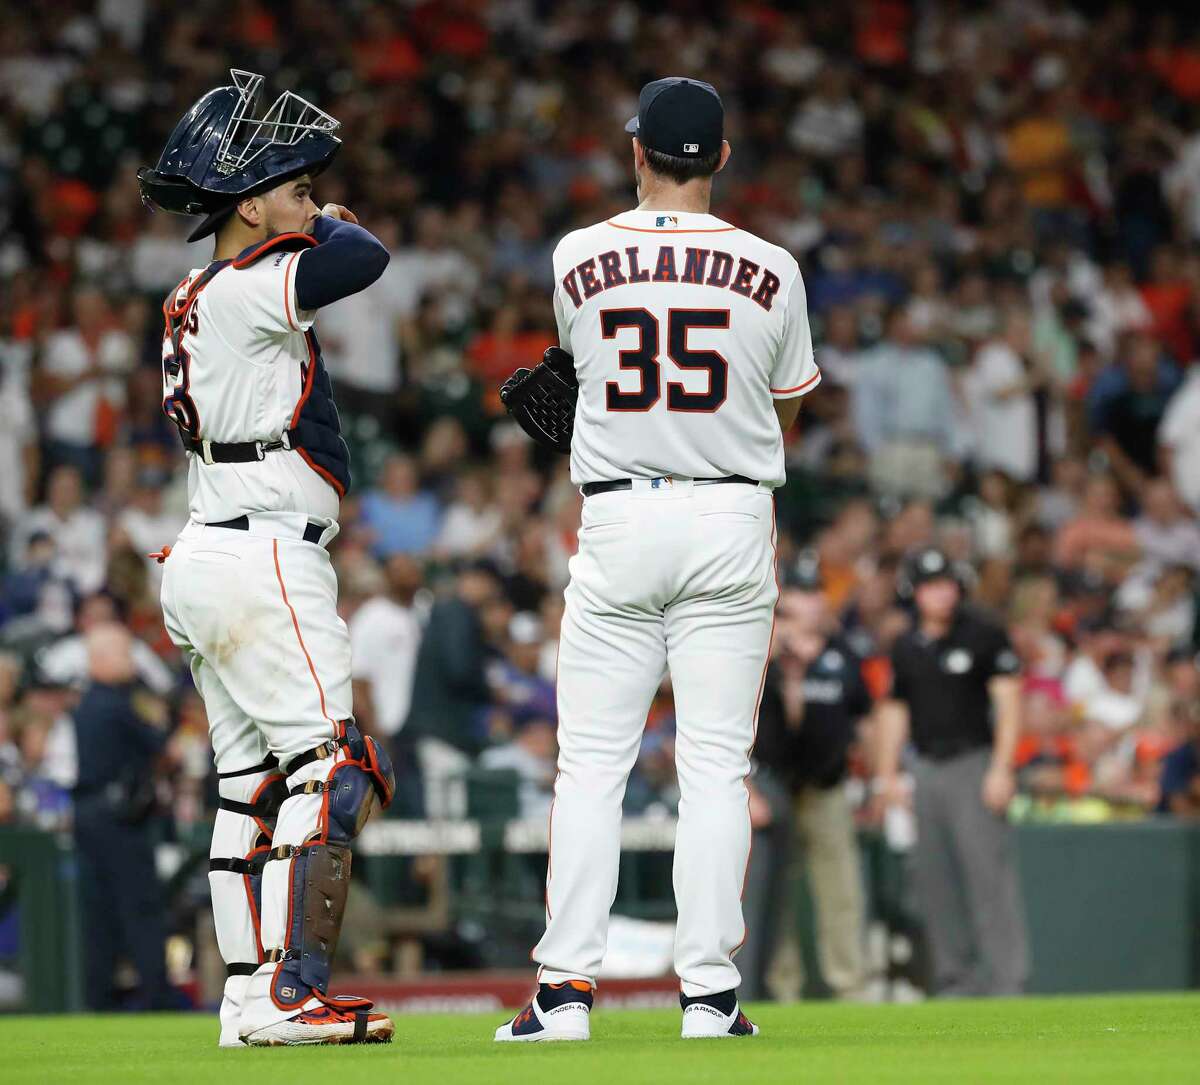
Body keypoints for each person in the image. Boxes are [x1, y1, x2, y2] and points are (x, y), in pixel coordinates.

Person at [495, 76, 820, 1043]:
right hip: (729, 513)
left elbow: (576, 372)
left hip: (621, 516)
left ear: (637, 152)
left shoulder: (578, 255)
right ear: (720, 158)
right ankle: (711, 996)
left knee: (590, 766)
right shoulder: (775, 267)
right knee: (717, 766)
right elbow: (785, 408)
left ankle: (562, 997)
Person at [138, 70, 395, 1046]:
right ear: (247, 202)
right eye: (292, 186)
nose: (309, 199)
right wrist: (329, 219)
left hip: (208, 546)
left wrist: (306, 217)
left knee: (249, 783)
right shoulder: (252, 281)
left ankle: (245, 992)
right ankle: (294, 989)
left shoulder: (194, 288)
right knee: (336, 763)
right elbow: (363, 254)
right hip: (263, 550)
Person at [874, 548, 1028, 996]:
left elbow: (1009, 702)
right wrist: (886, 774)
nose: (939, 594)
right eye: (929, 585)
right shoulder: (906, 645)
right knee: (935, 880)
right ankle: (954, 980)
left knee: (988, 879)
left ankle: (1007, 982)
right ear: (915, 593)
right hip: (926, 767)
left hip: (973, 763)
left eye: (945, 584)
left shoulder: (983, 634)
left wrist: (1002, 767)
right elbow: (894, 710)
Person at [741, 575, 871, 1002]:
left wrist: (875, 777)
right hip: (776, 785)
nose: (808, 605)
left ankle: (850, 985)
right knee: (779, 898)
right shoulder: (765, 651)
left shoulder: (842, 652)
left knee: (841, 891)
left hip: (826, 785)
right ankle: (783, 988)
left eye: (814, 595)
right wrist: (791, 672)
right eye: (795, 601)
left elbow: (864, 716)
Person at [71, 623, 173, 1010]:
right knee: (140, 907)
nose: (132, 662)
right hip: (119, 818)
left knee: (98, 912)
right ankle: (156, 996)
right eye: (125, 654)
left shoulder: (86, 704)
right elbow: (161, 743)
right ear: (101, 660)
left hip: (88, 814)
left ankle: (98, 999)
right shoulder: (116, 704)